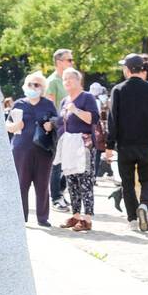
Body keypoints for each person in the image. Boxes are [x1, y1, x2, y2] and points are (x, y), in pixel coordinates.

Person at [106, 53, 148, 232]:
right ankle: (144, 205)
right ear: (142, 69)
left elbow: (113, 120)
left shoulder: (118, 90)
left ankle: (133, 219)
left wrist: (110, 145)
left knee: (127, 183)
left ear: (127, 70)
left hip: (125, 144)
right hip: (147, 143)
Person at [7, 71, 58, 226]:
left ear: (42, 88)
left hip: (43, 150)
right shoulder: (19, 104)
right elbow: (7, 125)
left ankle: (42, 218)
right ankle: (20, 217)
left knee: (42, 185)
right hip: (21, 150)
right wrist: (15, 126)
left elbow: (57, 120)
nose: (33, 87)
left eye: (36, 84)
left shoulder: (48, 104)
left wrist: (51, 124)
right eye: (30, 84)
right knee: (21, 183)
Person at [56, 67, 100, 232]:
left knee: (85, 181)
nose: (66, 81)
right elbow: (62, 122)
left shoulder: (87, 97)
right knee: (71, 180)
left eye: (70, 78)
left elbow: (92, 118)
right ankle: (75, 215)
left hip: (84, 145)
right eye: (64, 79)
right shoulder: (64, 100)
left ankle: (87, 219)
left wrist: (75, 110)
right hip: (69, 145)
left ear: (78, 80)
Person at [46, 49, 76, 211]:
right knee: (57, 164)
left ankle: (61, 193)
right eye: (69, 60)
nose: (72, 62)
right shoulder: (53, 81)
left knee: (68, 163)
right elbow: (50, 108)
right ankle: (56, 197)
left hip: (71, 129)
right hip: (59, 128)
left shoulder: (68, 81)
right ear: (59, 62)